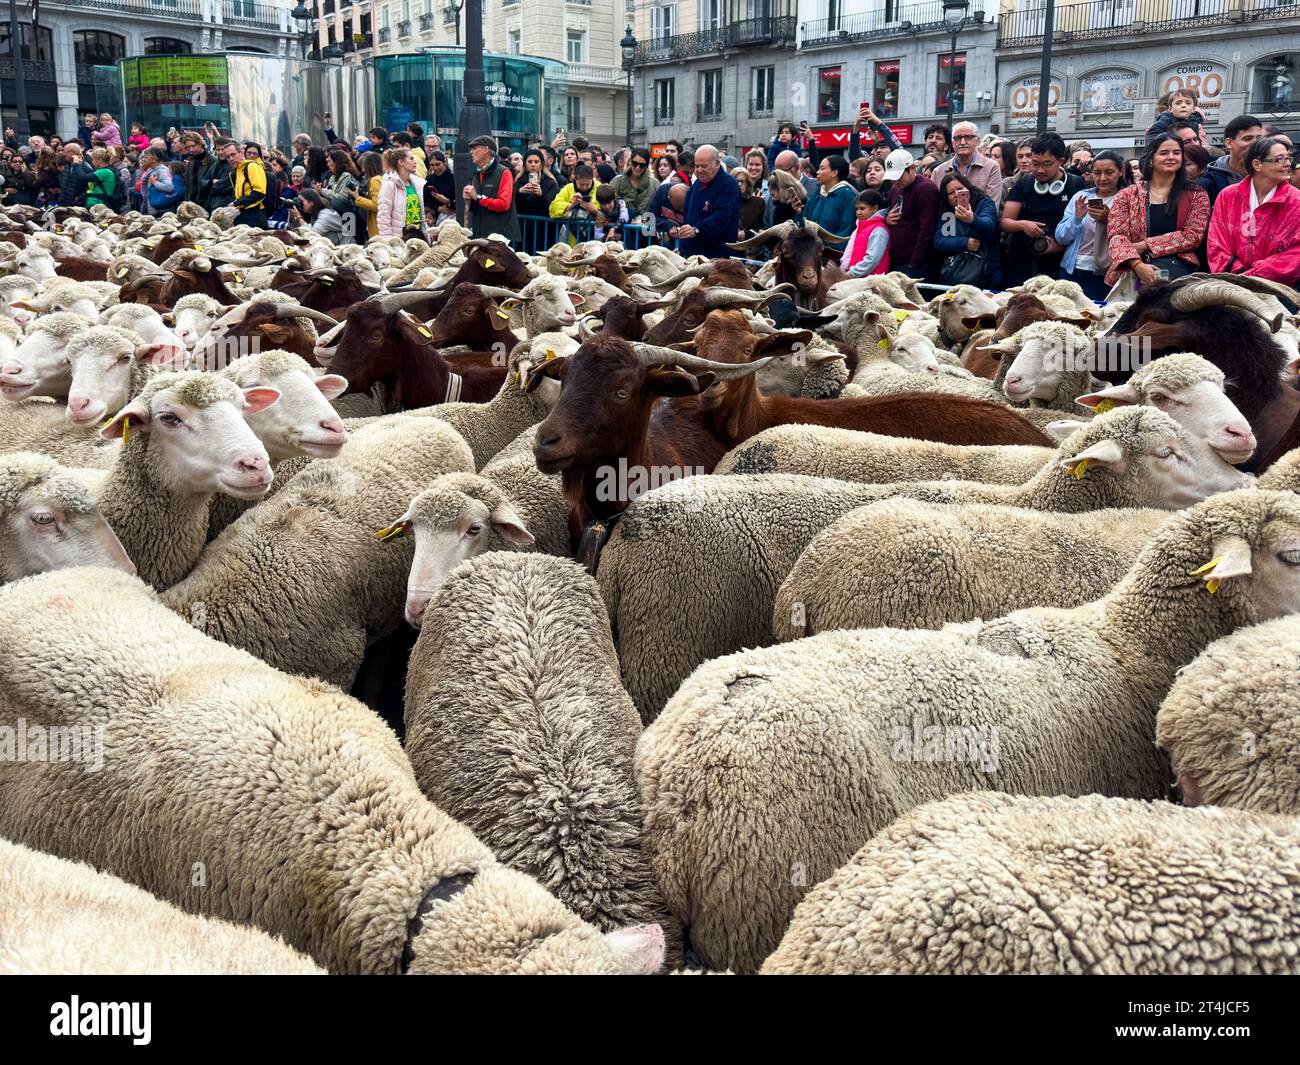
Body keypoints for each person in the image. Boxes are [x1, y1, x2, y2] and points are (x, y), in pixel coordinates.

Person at [1106, 134, 1211, 291]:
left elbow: (1192, 236)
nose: (1171, 157)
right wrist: (1137, 265)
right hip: (1132, 272)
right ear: (1151, 158)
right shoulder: (1128, 194)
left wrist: (1144, 245)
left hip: (1179, 275)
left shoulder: (1196, 194)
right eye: (1164, 153)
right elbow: (1116, 236)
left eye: (1176, 153)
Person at [1207, 135, 1300, 282]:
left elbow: (1295, 255)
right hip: (1231, 282)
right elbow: (1217, 244)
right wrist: (1238, 276)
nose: (1288, 164)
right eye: (1280, 159)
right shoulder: (1228, 196)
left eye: (1289, 158)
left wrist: (1253, 276)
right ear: (1257, 164)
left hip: (1277, 286)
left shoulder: (1296, 201)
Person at [1000, 132, 1086, 285]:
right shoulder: (1024, 182)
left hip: (1061, 262)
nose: (1039, 170)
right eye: (1035, 163)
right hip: (1022, 260)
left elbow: (1085, 227)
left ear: (1061, 161)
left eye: (1046, 164)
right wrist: (1023, 225)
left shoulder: (1076, 185)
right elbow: (1005, 222)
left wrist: (1059, 245)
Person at [1054, 149, 1127, 300]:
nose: (1102, 178)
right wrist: (1077, 218)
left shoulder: (1127, 198)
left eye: (1109, 172)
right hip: (1071, 270)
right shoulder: (1081, 197)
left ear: (1121, 172)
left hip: (1105, 273)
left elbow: (1132, 237)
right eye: (1097, 172)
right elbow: (1061, 236)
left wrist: (1109, 220)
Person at [933, 172, 1001, 289]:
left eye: (960, 189)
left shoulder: (984, 203)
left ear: (967, 187)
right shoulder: (946, 212)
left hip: (987, 271)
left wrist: (972, 220)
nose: (956, 194)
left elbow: (989, 226)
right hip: (954, 273)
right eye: (951, 193)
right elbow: (939, 241)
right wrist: (964, 243)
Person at [882, 148, 940, 280]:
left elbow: (927, 229)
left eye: (898, 176)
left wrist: (914, 264)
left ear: (912, 168)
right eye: (892, 178)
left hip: (917, 261)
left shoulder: (926, 189)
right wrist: (887, 220)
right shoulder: (895, 188)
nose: (895, 181)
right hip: (896, 257)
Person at [673, 145, 741, 259]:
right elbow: (688, 217)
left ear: (717, 164)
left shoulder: (729, 185)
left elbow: (721, 217)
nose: (699, 170)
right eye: (697, 166)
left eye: (704, 166)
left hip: (716, 257)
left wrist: (697, 229)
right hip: (692, 255)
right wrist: (683, 247)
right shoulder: (696, 184)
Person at [931, 120, 1004, 206]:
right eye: (957, 138)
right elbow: (933, 205)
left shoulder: (991, 167)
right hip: (948, 218)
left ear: (977, 141)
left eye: (968, 137)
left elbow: (992, 207)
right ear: (952, 142)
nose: (962, 142)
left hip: (979, 218)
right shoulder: (938, 171)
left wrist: (971, 218)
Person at [463, 135, 519, 243]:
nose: (471, 152)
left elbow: (504, 204)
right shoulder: (477, 174)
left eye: (474, 148)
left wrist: (477, 197)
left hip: (499, 238)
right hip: (480, 235)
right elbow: (477, 204)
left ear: (485, 150)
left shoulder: (504, 173)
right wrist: (469, 200)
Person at [1199, 113, 1263, 207]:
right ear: (1229, 143)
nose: (1255, 143)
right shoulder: (1207, 184)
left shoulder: (1270, 177)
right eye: (1247, 138)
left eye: (1259, 138)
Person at [802, 154, 857, 238]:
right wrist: (799, 212)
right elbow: (805, 222)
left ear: (834, 173)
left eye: (822, 168)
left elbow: (846, 232)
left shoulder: (848, 196)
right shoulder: (816, 194)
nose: (817, 172)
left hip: (832, 250)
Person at [841, 189, 891, 277]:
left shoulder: (879, 230)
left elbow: (872, 260)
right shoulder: (859, 228)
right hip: (857, 280)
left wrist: (850, 274)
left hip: (871, 282)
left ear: (875, 208)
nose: (858, 212)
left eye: (862, 208)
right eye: (857, 209)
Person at [378, 147, 426, 239]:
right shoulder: (389, 185)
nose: (415, 162)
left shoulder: (417, 184)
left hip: (417, 236)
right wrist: (389, 241)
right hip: (400, 239)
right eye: (411, 158)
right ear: (401, 162)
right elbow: (383, 217)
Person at [609, 147, 658, 217]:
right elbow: (608, 203)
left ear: (646, 166)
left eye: (642, 165)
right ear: (630, 162)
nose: (638, 167)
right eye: (635, 163)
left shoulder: (654, 184)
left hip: (646, 224)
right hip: (621, 224)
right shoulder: (617, 181)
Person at [230, 141, 268, 227]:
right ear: (245, 153)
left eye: (254, 154)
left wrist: (238, 203)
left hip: (253, 214)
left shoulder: (252, 166)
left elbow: (259, 192)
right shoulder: (244, 166)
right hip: (247, 211)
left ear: (259, 155)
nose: (251, 156)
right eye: (249, 153)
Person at [353, 151, 385, 239]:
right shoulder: (382, 178)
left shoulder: (375, 180)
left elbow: (377, 205)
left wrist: (357, 198)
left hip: (377, 225)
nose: (363, 170)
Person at [139, 148, 177, 215]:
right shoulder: (151, 170)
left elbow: (169, 187)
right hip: (154, 208)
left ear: (154, 160)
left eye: (146, 157)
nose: (143, 159)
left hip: (161, 210)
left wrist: (155, 183)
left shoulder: (162, 171)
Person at [423, 150, 457, 226]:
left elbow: (461, 203)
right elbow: (424, 201)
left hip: (452, 219)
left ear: (445, 163)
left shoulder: (454, 179)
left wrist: (447, 201)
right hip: (432, 219)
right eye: (432, 165)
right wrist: (439, 208)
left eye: (438, 164)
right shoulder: (429, 179)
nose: (435, 168)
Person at [58, 143, 93, 207]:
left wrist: (80, 198)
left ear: (72, 153)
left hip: (75, 206)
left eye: (64, 152)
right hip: (63, 202)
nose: (63, 154)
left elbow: (90, 187)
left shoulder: (86, 168)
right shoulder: (67, 164)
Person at [735, 168, 767, 238]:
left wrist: (747, 234)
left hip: (751, 245)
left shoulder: (758, 202)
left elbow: (764, 228)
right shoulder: (725, 202)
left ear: (748, 183)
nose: (739, 184)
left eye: (742, 181)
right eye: (736, 181)